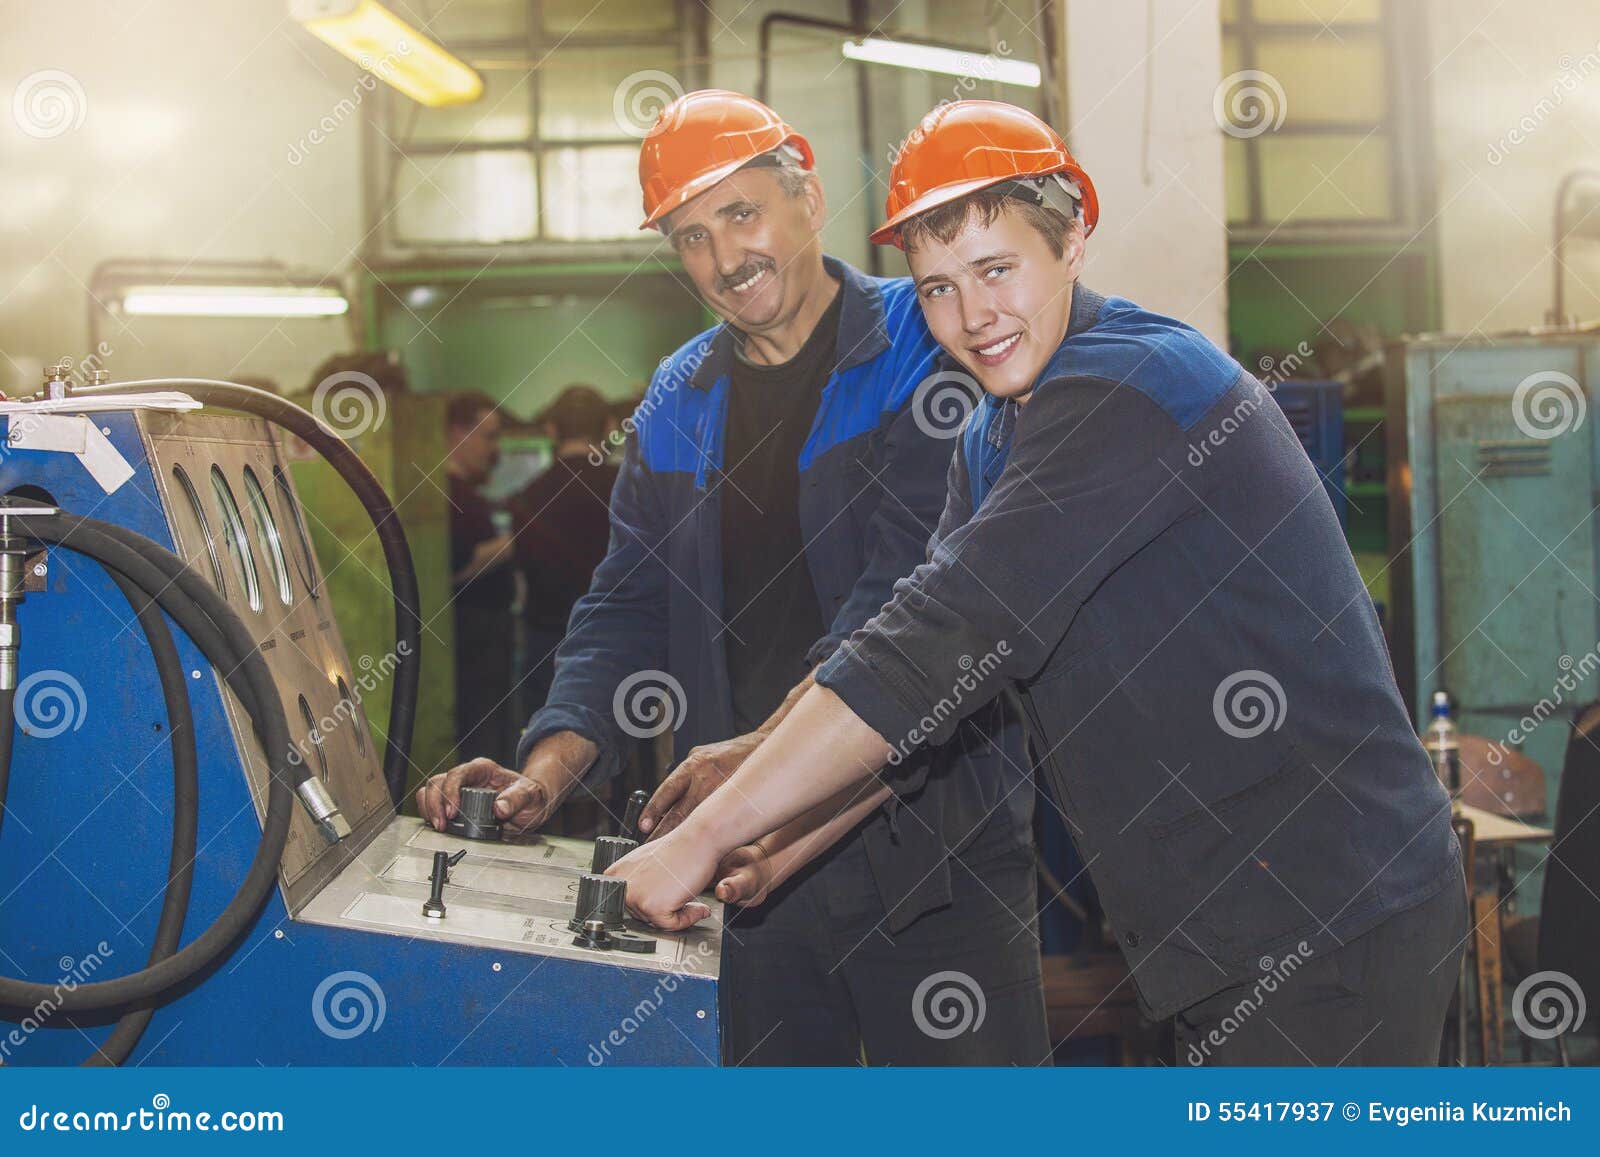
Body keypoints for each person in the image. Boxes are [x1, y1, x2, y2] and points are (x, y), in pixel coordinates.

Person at [608, 100, 1469, 1067]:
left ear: (1072, 241)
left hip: (1328, 909)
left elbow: (940, 636)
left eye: (996, 270)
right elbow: (934, 681)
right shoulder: (992, 433)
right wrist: (781, 843)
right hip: (1219, 924)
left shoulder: (1128, 386)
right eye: (937, 289)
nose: (972, 317)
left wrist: (700, 836)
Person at [417, 90, 1048, 1066]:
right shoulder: (678, 396)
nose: (724, 258)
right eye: (691, 236)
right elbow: (625, 604)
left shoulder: (924, 344)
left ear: (809, 199)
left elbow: (904, 600)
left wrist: (749, 773)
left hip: (928, 849)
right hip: (745, 879)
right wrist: (546, 772)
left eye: (742, 214)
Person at [509, 384, 620, 715]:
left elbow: (521, 574)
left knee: (546, 735)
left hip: (546, 642)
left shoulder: (526, 496)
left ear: (551, 429)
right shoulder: (628, 486)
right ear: (609, 427)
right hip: (615, 639)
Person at [445, 390, 516, 764]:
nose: (494, 449)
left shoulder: (469, 494)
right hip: (471, 640)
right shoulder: (447, 495)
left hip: (486, 639)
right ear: (458, 432)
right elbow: (454, 569)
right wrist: (514, 543)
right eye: (489, 437)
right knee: (480, 739)